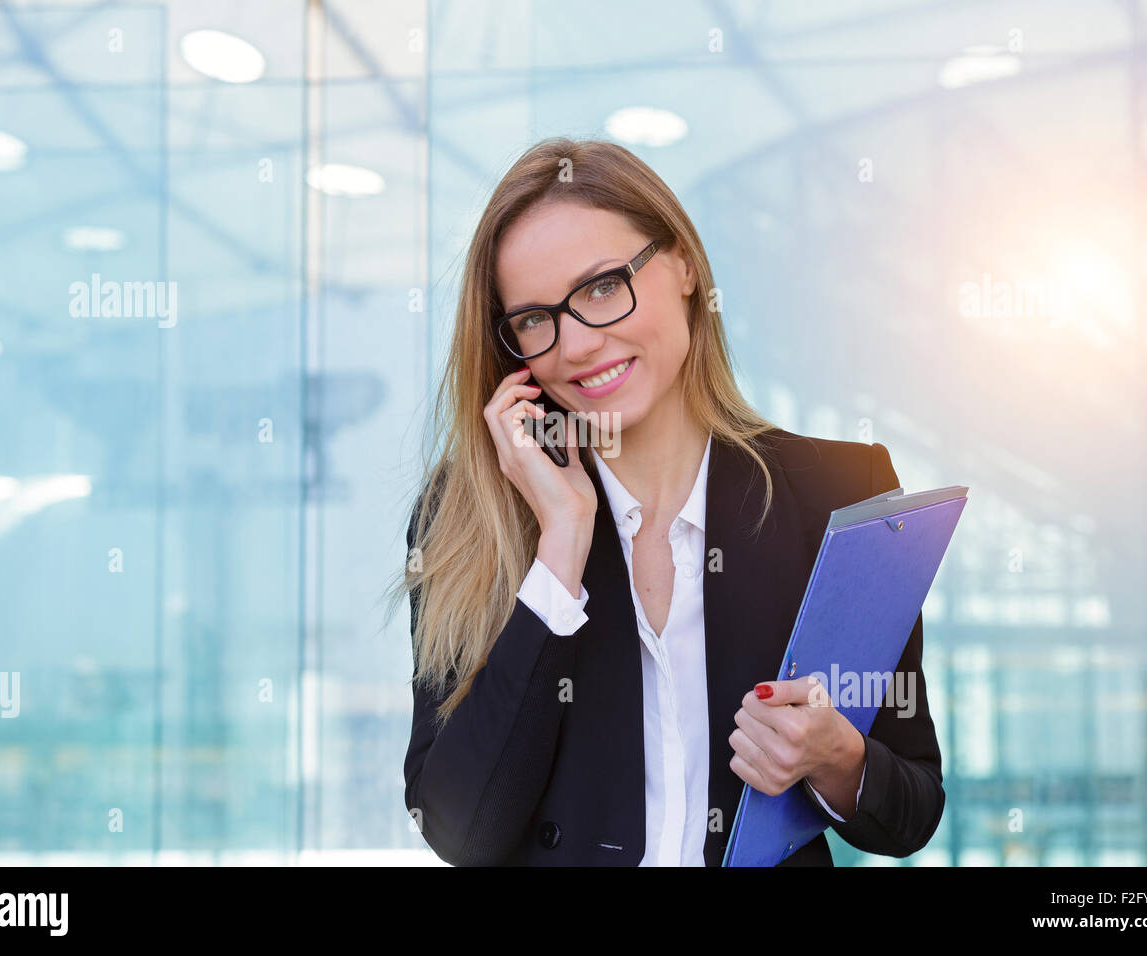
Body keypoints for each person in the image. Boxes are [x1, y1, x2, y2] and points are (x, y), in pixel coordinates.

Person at [390, 137, 945, 866]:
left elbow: (911, 811)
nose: (578, 344)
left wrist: (836, 756)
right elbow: (459, 829)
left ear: (683, 264)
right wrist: (561, 543)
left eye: (600, 287)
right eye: (534, 319)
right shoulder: (465, 517)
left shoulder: (838, 493)